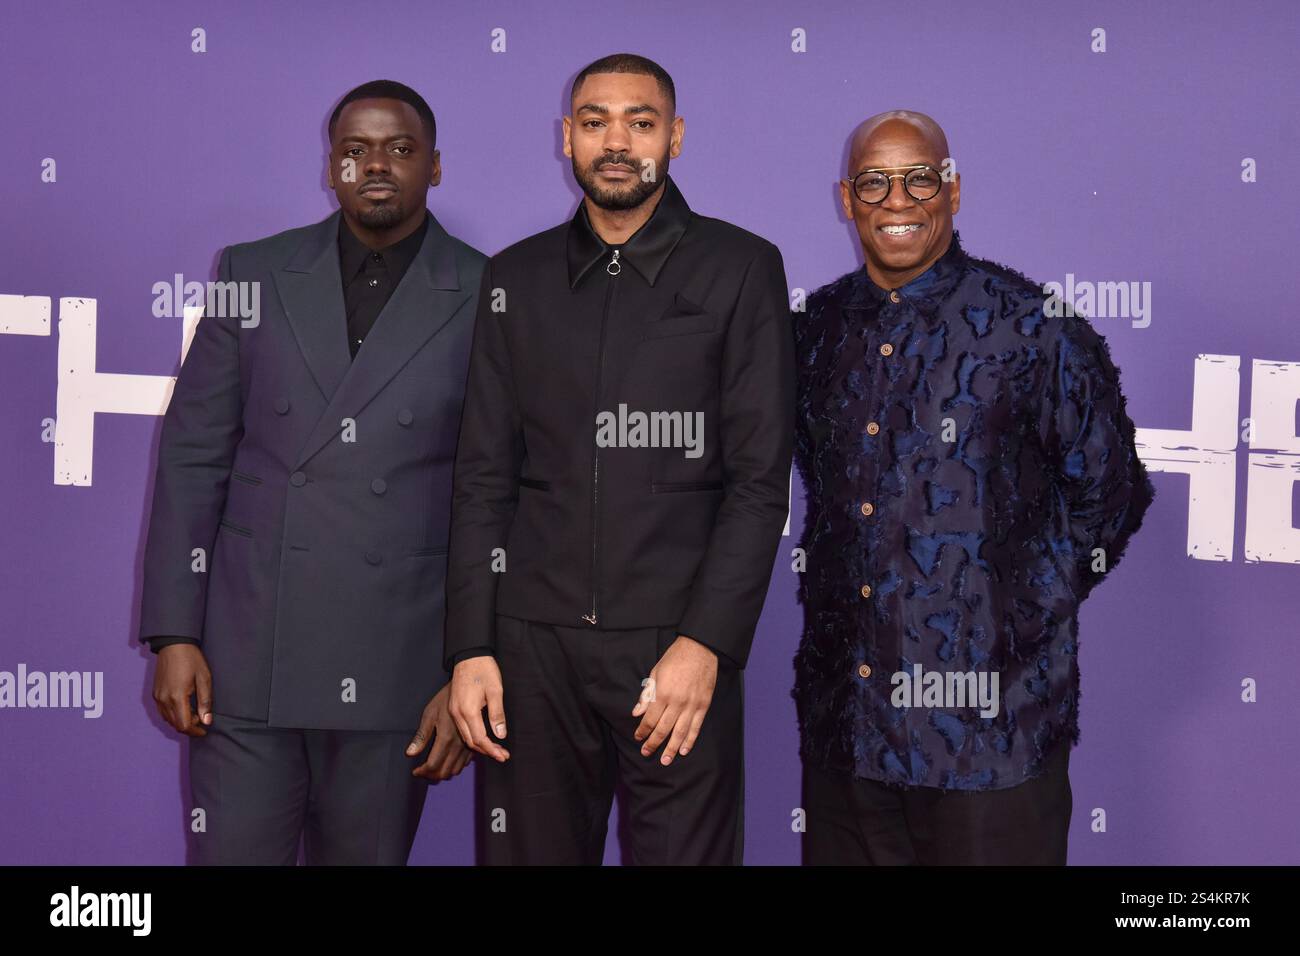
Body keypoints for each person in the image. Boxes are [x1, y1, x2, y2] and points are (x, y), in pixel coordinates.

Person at [443, 53, 794, 865]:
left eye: (640, 122)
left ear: (674, 137)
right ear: (567, 139)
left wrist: (707, 642)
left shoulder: (742, 268)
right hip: (530, 654)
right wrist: (470, 647)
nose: (617, 141)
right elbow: (482, 479)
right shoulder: (515, 277)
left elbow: (756, 482)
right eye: (595, 122)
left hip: (673, 653)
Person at [792, 110, 1155, 865]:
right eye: (874, 181)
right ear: (847, 197)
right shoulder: (815, 330)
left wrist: (1013, 605)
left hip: (991, 745)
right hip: (848, 739)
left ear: (953, 190)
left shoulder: (1032, 327)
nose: (898, 199)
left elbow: (1114, 493)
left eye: (920, 177)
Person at [140, 80, 481, 865]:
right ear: (330, 169)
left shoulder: (488, 292)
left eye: (401, 148)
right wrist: (174, 631)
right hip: (248, 657)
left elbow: (495, 494)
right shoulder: (254, 273)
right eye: (355, 151)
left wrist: (467, 664)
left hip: (399, 665)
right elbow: (195, 456)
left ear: (435, 166)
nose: (377, 166)